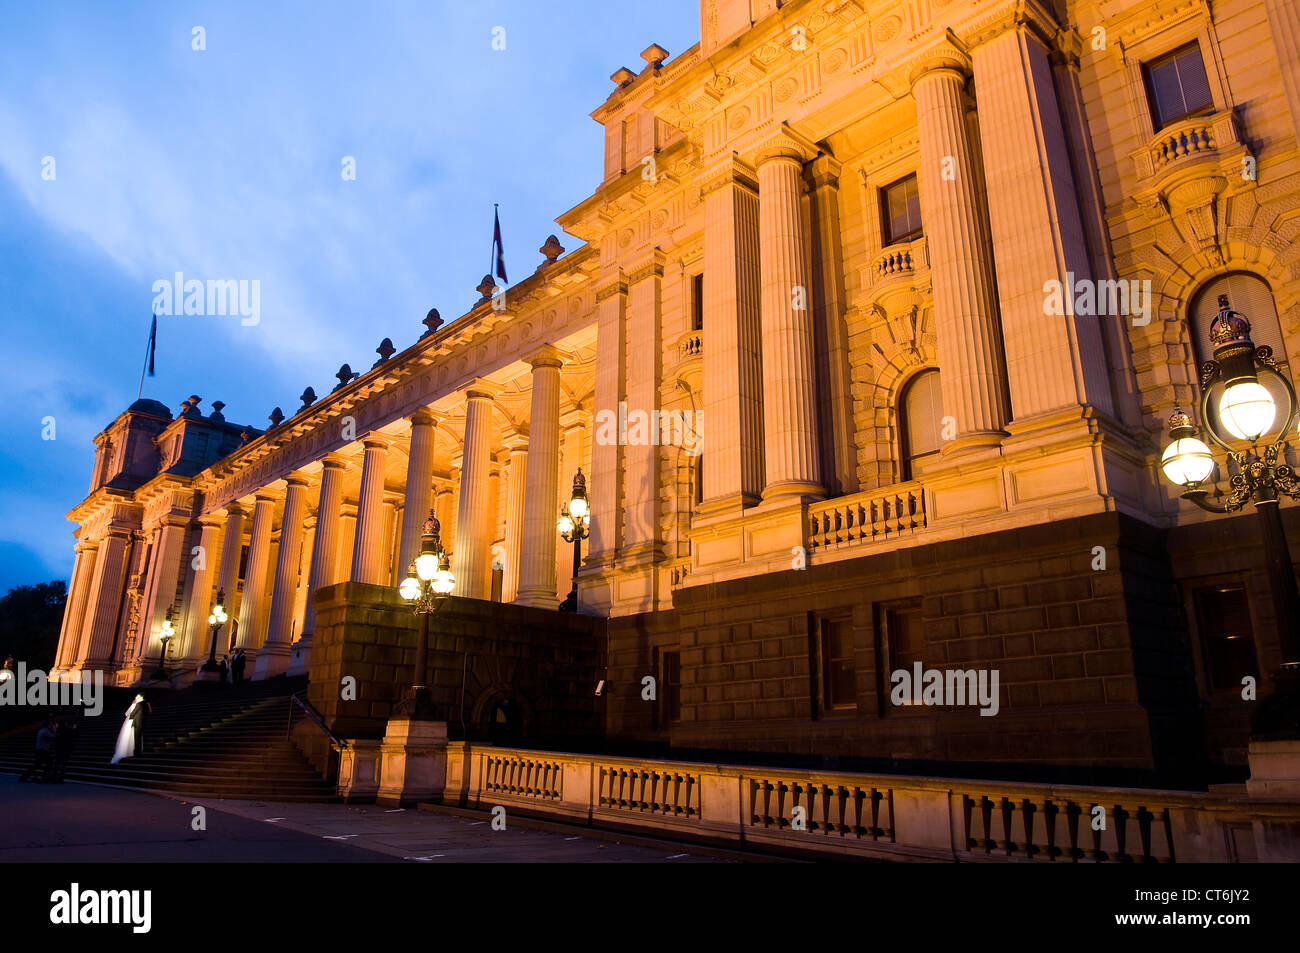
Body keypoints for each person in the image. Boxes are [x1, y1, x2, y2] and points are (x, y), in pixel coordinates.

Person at [111, 694, 150, 764]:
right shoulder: (146, 703)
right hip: (141, 723)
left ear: (141, 697)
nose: (135, 697)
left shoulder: (139, 704)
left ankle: (137, 752)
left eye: (137, 696)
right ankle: (137, 752)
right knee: (138, 738)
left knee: (137, 738)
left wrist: (130, 717)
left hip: (137, 723)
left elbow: (132, 714)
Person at [51, 718, 78, 783]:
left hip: (58, 749)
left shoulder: (58, 731)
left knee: (57, 764)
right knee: (63, 764)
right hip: (66, 749)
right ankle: (60, 778)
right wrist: (74, 728)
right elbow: (76, 734)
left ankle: (54, 777)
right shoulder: (68, 730)